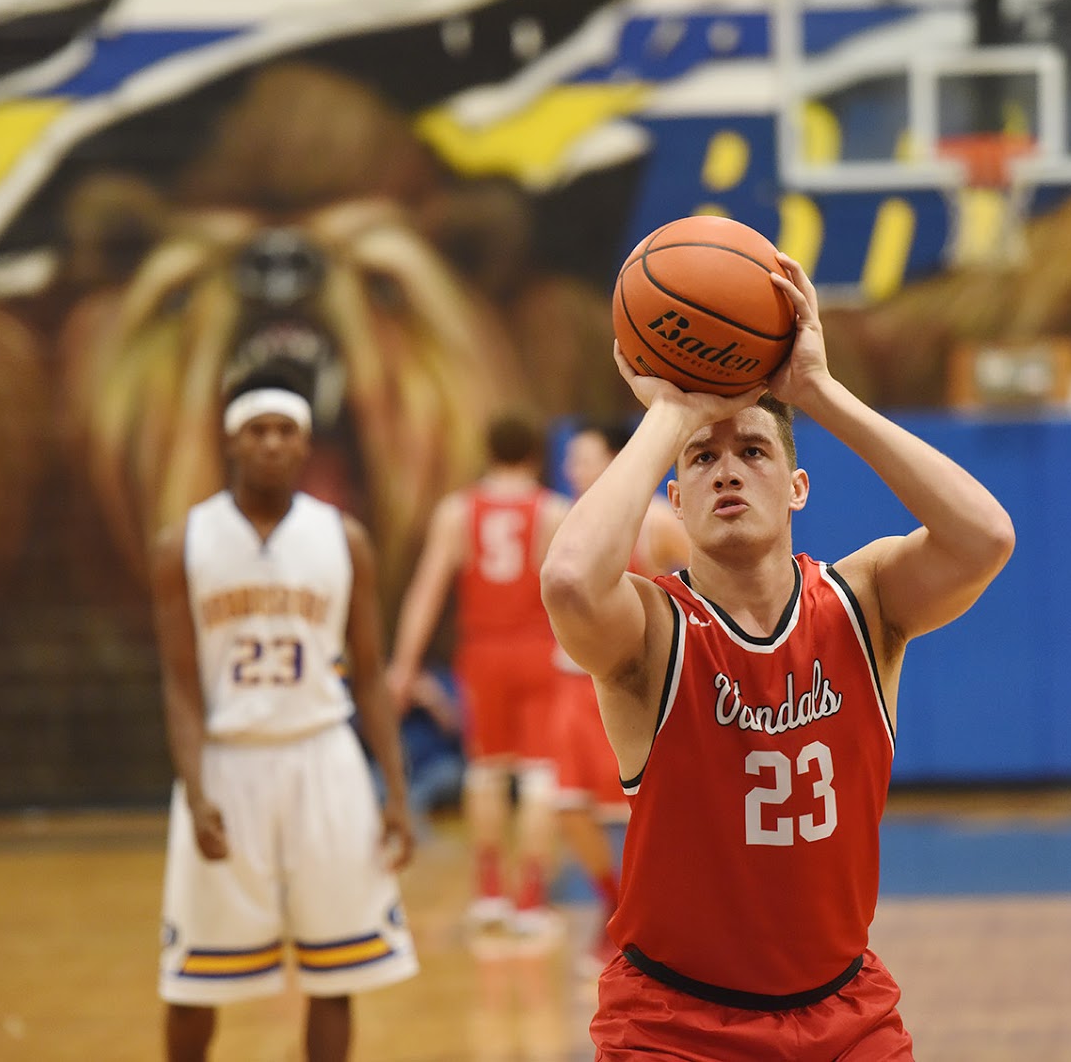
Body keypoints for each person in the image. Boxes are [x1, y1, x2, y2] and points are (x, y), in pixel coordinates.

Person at [540, 255, 1015, 1059]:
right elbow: (569, 583)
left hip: (844, 1015)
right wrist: (668, 412)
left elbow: (985, 538)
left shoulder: (864, 602)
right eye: (702, 459)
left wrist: (818, 392)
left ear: (797, 487)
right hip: (676, 1025)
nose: (728, 468)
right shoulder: (655, 631)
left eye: (754, 452)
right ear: (675, 500)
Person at [150, 374, 418, 1062]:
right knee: (191, 983)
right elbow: (180, 683)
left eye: (285, 431)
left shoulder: (343, 539)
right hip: (229, 761)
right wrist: (195, 788)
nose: (271, 443)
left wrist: (395, 790)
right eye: (256, 431)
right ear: (232, 442)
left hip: (323, 759)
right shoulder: (183, 542)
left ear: (304, 446)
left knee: (337, 971)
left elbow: (369, 671)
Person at [387, 410, 570, 933]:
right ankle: (531, 900)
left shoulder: (457, 511)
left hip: (482, 654)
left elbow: (426, 591)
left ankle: (489, 892)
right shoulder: (552, 510)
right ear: (535, 455)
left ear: (486, 453)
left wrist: (404, 663)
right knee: (540, 778)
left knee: (485, 772)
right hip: (539, 652)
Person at [553, 421, 689, 972]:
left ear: (614, 458)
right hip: (570, 681)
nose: (572, 469)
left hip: (632, 683)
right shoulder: (566, 521)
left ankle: (648, 916)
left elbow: (700, 586)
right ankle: (613, 899)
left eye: (583, 457)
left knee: (643, 813)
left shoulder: (655, 521)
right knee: (566, 807)